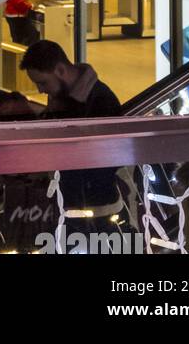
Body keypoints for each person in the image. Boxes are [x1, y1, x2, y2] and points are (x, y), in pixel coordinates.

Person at [20, 40, 125, 232]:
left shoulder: (101, 101)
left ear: (60, 70)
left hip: (94, 212)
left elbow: (107, 159)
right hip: (73, 206)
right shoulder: (63, 98)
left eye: (42, 82)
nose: (40, 90)